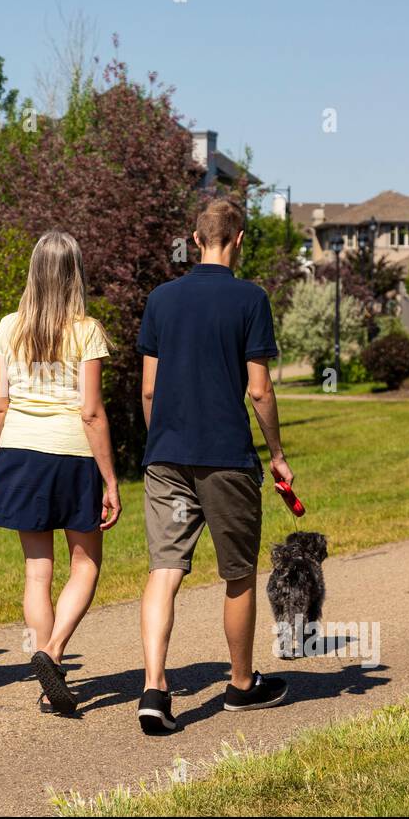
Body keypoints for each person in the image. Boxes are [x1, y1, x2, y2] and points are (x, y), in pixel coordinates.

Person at [135, 198, 293, 734]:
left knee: (165, 571)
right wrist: (277, 454)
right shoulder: (250, 299)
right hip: (227, 458)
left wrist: (161, 441)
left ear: (196, 239)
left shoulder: (161, 299)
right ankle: (241, 684)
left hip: (167, 458)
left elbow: (150, 388)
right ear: (239, 241)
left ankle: (155, 688)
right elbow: (259, 389)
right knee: (238, 574)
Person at [0, 231, 121, 714]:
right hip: (72, 455)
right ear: (74, 272)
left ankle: (48, 679)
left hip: (20, 452)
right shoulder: (87, 331)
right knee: (86, 564)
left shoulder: (8, 328)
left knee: (37, 571)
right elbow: (91, 412)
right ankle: (53, 654)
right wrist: (111, 479)